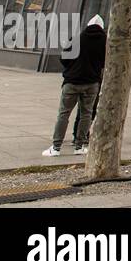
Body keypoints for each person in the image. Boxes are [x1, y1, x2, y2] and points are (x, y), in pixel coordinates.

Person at [44, 15, 107, 157]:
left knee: (64, 114)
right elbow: (105, 62)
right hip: (91, 83)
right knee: (87, 114)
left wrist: (72, 69)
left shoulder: (77, 38)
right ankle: (79, 146)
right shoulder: (105, 41)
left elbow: (64, 57)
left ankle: (56, 147)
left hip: (72, 82)